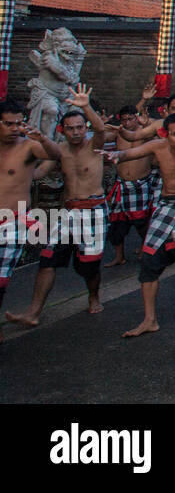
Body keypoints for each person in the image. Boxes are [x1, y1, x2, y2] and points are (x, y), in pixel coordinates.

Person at [5, 86, 110, 324]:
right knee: (47, 259)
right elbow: (40, 172)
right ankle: (33, 313)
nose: (75, 133)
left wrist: (85, 106)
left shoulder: (95, 145)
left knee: (89, 266)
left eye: (79, 128)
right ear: (63, 131)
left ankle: (93, 296)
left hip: (93, 211)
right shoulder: (59, 150)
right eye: (70, 128)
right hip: (68, 211)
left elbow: (102, 128)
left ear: (86, 128)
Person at [106, 113, 175, 335]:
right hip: (165, 205)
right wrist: (116, 155)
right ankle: (149, 320)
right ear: (166, 134)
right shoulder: (157, 146)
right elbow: (130, 152)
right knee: (149, 264)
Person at [0, 100, 52, 336]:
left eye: (18, 124)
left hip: (14, 219)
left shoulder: (29, 147)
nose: (14, 129)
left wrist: (42, 138)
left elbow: (55, 154)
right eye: (8, 124)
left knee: (1, 279)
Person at [104, 105, 158, 267]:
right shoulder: (117, 133)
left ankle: (145, 247)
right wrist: (100, 124)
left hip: (140, 184)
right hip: (121, 185)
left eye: (130, 119)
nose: (127, 123)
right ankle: (119, 256)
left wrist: (148, 122)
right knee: (117, 223)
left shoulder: (146, 133)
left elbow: (159, 134)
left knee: (141, 221)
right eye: (124, 120)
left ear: (136, 118)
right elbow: (102, 137)